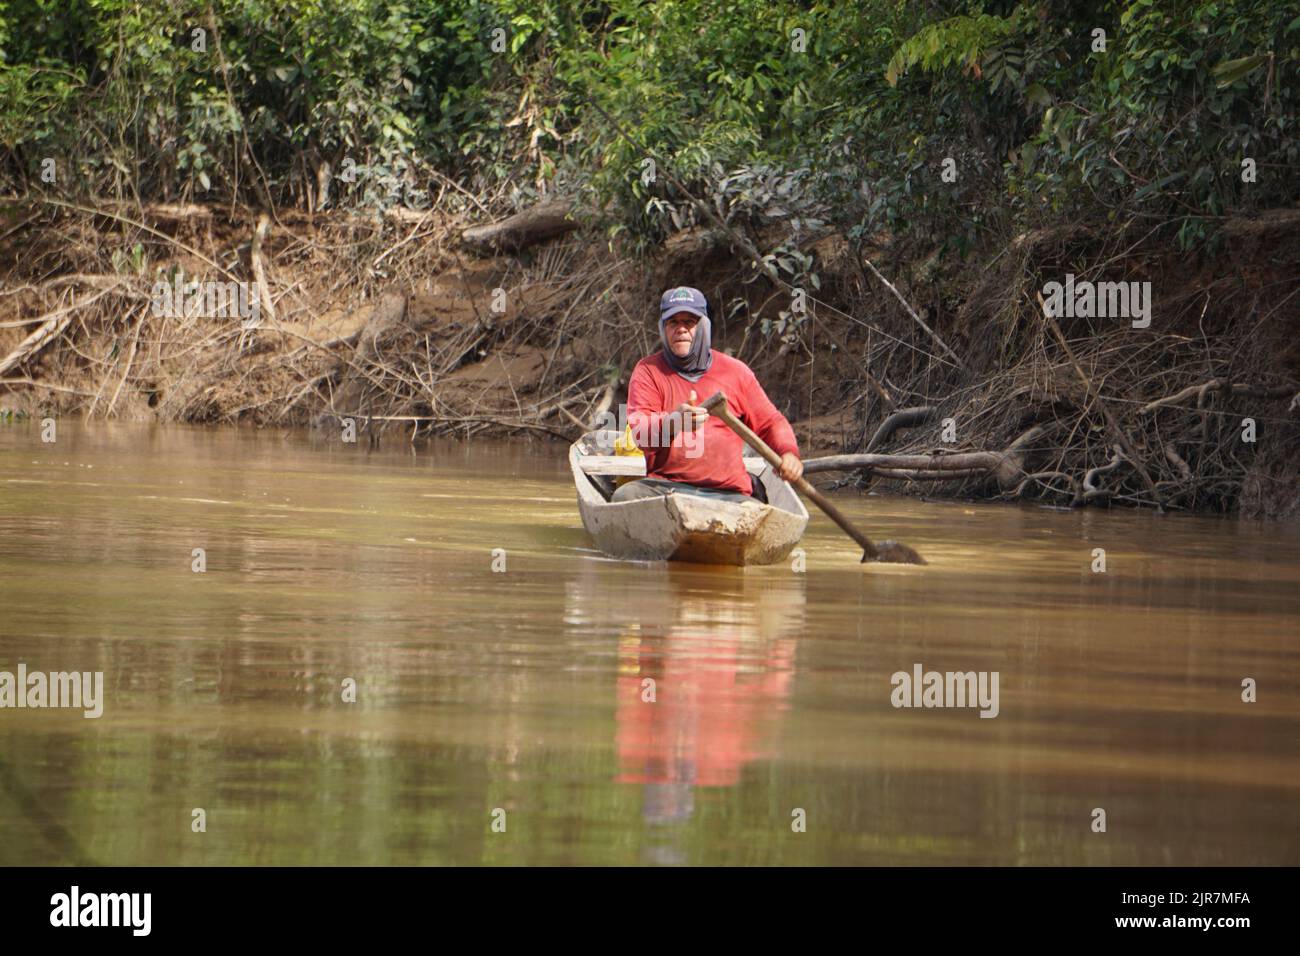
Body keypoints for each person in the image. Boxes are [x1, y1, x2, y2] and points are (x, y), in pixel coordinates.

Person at [612, 286, 802, 503]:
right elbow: (640, 434)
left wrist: (788, 453)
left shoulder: (736, 371)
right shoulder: (648, 371)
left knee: (758, 511)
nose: (681, 329)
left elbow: (771, 423)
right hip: (665, 490)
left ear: (703, 327)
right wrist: (673, 423)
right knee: (624, 496)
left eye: (689, 322)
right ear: (663, 329)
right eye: (673, 322)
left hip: (729, 493)